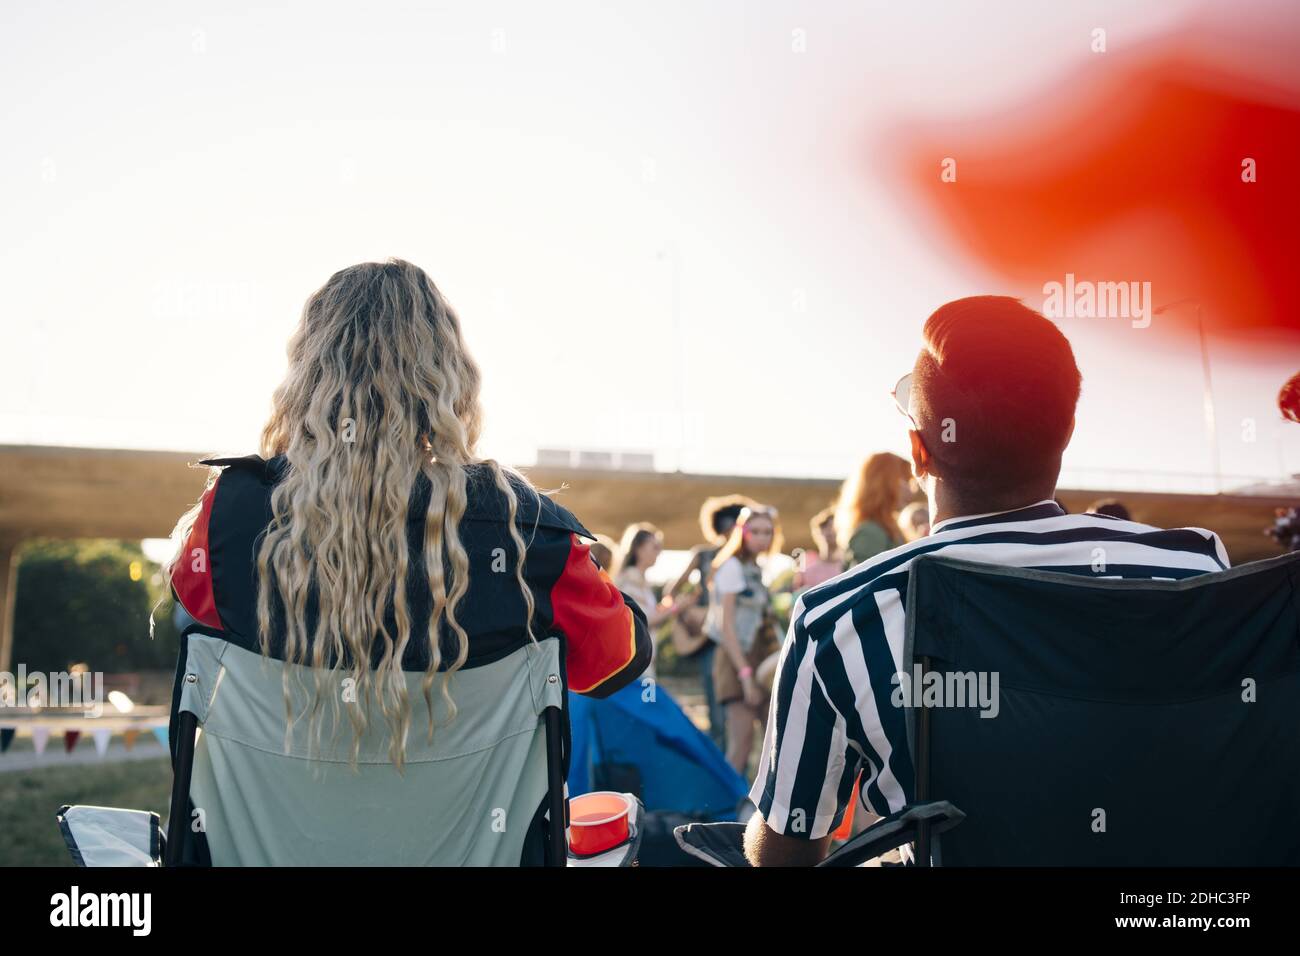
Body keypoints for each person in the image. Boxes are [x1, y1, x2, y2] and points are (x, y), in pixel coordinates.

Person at [166, 260, 652, 857]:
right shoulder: (527, 536)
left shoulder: (233, 517)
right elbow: (618, 663)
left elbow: (194, 613)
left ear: (310, 374)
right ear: (449, 377)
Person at [745, 295, 1230, 866]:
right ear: (1066, 433)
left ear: (919, 453)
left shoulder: (844, 618)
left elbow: (787, 851)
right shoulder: (1193, 569)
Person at [664, 495, 756, 745]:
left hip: (739, 639)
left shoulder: (745, 561)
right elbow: (670, 592)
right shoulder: (703, 555)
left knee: (742, 705)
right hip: (711, 640)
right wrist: (687, 612)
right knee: (717, 708)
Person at [706, 504, 784, 775]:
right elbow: (725, 626)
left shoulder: (755, 570)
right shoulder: (731, 567)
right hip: (737, 659)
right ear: (743, 532)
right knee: (741, 744)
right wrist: (746, 674)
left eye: (768, 532)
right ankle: (722, 810)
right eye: (756, 531)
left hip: (762, 659)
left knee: (773, 743)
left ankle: (762, 808)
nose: (762, 537)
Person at [611, 522, 682, 680]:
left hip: (643, 662)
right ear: (639, 549)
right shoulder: (629, 582)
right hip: (634, 665)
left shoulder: (639, 581)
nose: (659, 552)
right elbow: (643, 620)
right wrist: (676, 608)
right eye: (655, 547)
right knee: (646, 701)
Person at [835, 453, 915, 568]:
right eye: (905, 480)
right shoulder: (870, 532)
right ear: (883, 483)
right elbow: (866, 583)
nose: (911, 489)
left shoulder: (883, 528)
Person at [793, 506, 842, 592]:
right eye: (824, 527)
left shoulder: (848, 566)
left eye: (833, 526)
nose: (829, 531)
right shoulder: (806, 570)